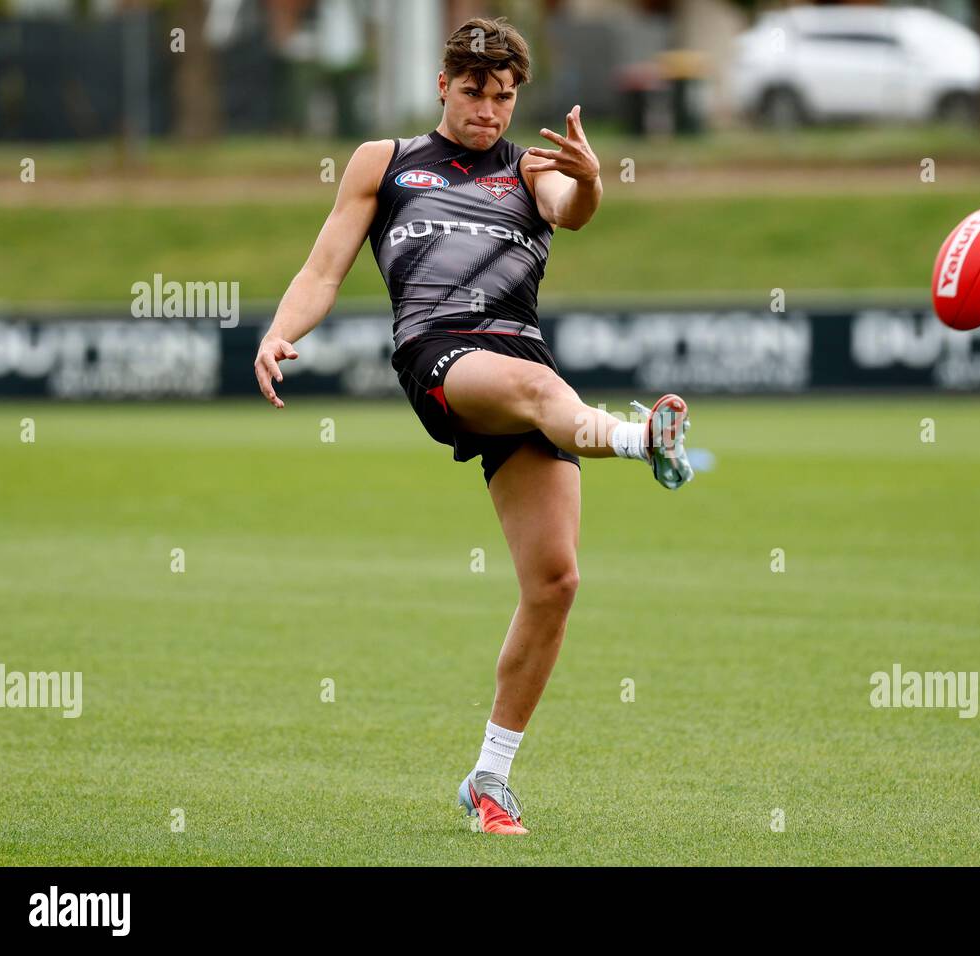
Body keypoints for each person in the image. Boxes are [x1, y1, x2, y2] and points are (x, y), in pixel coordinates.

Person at [253, 16, 693, 835]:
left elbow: (574, 209)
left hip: (527, 375)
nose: (489, 110)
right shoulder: (383, 163)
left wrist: (591, 180)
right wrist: (283, 331)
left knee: (556, 582)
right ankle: (641, 440)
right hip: (441, 357)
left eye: (504, 97)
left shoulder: (531, 168)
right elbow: (324, 266)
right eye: (474, 93)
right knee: (536, 386)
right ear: (443, 87)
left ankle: (489, 782)